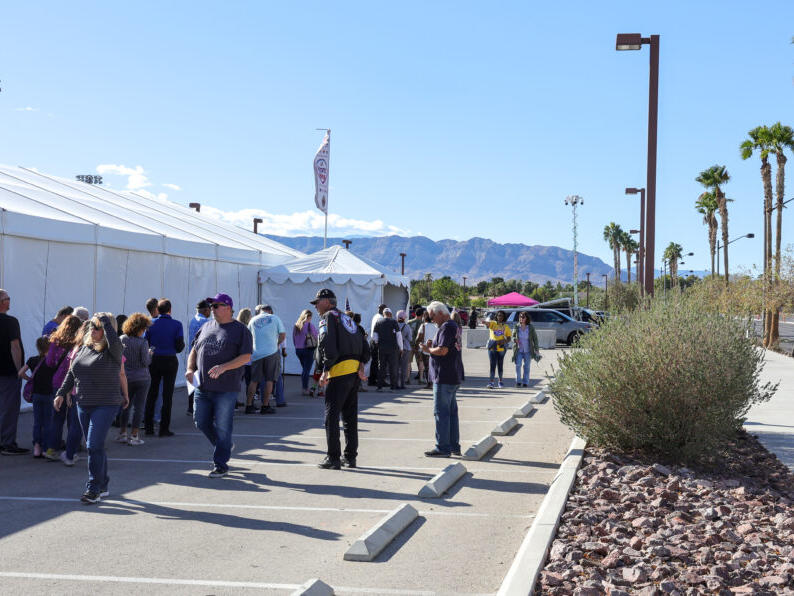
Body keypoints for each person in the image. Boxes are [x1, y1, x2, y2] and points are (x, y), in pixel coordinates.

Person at [55, 313, 128, 503]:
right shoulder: (85, 347)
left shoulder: (114, 350)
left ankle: (93, 488)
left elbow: (114, 342)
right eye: (92, 327)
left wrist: (104, 320)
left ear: (107, 329)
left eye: (97, 327)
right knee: (96, 447)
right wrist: (61, 393)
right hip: (83, 403)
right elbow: (72, 372)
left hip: (106, 404)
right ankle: (103, 484)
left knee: (93, 445)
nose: (93, 330)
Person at [186, 293, 252, 478]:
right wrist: (190, 368)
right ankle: (225, 445)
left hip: (226, 388)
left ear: (228, 308)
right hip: (202, 386)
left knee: (223, 427)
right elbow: (194, 350)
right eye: (211, 306)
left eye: (216, 306)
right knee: (200, 421)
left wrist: (224, 367)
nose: (212, 309)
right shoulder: (206, 326)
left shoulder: (240, 330)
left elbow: (246, 357)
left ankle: (220, 464)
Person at [312, 288, 370, 470]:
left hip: (337, 372)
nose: (315, 307)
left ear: (327, 302)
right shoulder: (348, 318)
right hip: (353, 373)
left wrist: (325, 369)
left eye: (317, 302)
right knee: (350, 417)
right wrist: (361, 363)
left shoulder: (328, 317)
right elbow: (364, 344)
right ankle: (350, 457)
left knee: (331, 417)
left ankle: (333, 457)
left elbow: (326, 342)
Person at [422, 301, 465, 458]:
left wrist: (428, 349)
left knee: (441, 413)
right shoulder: (452, 326)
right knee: (451, 413)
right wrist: (432, 345)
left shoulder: (446, 327)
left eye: (432, 316)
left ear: (440, 313)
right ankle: (453, 446)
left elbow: (443, 350)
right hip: (452, 375)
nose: (432, 319)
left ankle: (443, 447)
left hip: (444, 376)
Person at [43, 315, 84, 464]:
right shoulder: (79, 343)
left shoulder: (55, 340)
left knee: (57, 418)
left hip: (57, 383)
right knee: (74, 420)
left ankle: (52, 449)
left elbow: (49, 362)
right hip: (73, 384)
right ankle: (71, 450)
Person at [144, 299, 184, 437]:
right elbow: (179, 346)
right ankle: (164, 428)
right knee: (167, 395)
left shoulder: (150, 324)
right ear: (170, 310)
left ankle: (148, 427)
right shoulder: (177, 324)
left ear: (157, 310)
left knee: (152, 393)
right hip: (170, 360)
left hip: (154, 360)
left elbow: (146, 343)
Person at [0, 289, 27, 455]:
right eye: (7, 298)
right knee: (9, 409)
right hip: (8, 371)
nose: (9, 300)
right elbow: (15, 346)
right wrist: (19, 370)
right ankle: (7, 444)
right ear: (3, 303)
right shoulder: (10, 322)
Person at [118, 313, 152, 445]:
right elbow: (145, 362)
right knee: (139, 407)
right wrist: (150, 354)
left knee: (125, 405)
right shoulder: (143, 342)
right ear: (140, 328)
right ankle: (134, 435)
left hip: (126, 377)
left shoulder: (122, 339)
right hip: (142, 378)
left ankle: (122, 433)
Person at [246, 304, 285, 415]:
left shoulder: (253, 320)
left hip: (256, 353)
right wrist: (276, 344)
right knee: (269, 380)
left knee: (254, 380)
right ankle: (265, 405)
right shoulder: (275, 318)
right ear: (270, 311)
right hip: (271, 352)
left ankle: (249, 405)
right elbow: (282, 335)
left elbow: (248, 336)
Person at [18, 336, 52, 457]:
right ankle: (46, 448)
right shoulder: (52, 361)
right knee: (48, 422)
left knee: (38, 421)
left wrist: (30, 379)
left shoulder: (32, 360)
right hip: (49, 394)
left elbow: (20, 373)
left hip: (36, 394)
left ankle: (37, 447)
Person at [186, 300, 211, 414]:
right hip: (202, 355)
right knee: (204, 383)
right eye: (209, 310)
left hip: (192, 354)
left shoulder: (193, 320)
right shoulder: (206, 322)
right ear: (205, 310)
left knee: (193, 382)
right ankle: (201, 408)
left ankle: (191, 407)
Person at [373, 308, 403, 392]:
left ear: (384, 314)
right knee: (393, 367)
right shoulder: (394, 322)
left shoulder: (378, 322)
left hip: (382, 348)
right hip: (393, 348)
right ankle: (393, 386)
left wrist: (377, 343)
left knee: (381, 367)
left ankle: (379, 386)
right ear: (390, 314)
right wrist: (401, 348)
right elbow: (399, 336)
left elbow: (375, 336)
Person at [292, 309, 318, 396]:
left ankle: (304, 387)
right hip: (308, 349)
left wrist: (297, 346)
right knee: (306, 370)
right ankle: (305, 388)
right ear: (309, 317)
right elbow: (316, 336)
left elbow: (293, 338)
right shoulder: (310, 325)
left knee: (304, 369)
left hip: (298, 350)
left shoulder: (296, 325)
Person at [512, 311, 540, 388]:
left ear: (526, 318)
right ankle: (518, 382)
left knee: (526, 366)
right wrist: (514, 339)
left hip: (528, 350)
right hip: (519, 350)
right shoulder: (516, 326)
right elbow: (512, 336)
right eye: (520, 317)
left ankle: (525, 382)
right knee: (518, 365)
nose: (521, 318)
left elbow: (535, 339)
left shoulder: (530, 327)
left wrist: (536, 349)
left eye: (523, 317)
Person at [485, 310, 511, 389]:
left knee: (500, 365)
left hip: (501, 348)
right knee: (492, 365)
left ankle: (500, 382)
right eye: (498, 315)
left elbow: (509, 338)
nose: (500, 317)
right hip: (492, 347)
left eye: (501, 316)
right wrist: (485, 322)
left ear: (504, 317)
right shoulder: (493, 323)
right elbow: (487, 323)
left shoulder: (506, 326)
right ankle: (491, 382)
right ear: (496, 316)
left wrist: (504, 341)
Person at [417, 310, 438, 389]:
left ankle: (429, 383)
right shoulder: (436, 326)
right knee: (434, 366)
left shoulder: (423, 326)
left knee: (427, 367)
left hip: (425, 349)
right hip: (435, 349)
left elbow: (419, 337)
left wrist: (417, 344)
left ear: (425, 317)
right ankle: (435, 382)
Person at [367, 304, 386, 386]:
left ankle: (372, 380)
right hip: (377, 342)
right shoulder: (380, 318)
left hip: (373, 341)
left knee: (374, 362)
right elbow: (380, 332)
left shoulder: (375, 316)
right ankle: (379, 381)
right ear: (383, 309)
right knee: (379, 362)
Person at [396, 310, 413, 389]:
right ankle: (402, 384)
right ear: (404, 318)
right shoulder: (407, 327)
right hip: (405, 348)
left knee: (396, 366)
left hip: (396, 348)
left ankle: (395, 383)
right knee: (404, 367)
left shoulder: (394, 325)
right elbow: (410, 338)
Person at [407, 307, 424, 382]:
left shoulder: (409, 322)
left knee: (408, 362)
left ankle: (407, 378)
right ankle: (421, 378)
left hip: (410, 344)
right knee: (420, 361)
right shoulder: (423, 324)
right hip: (419, 345)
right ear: (422, 314)